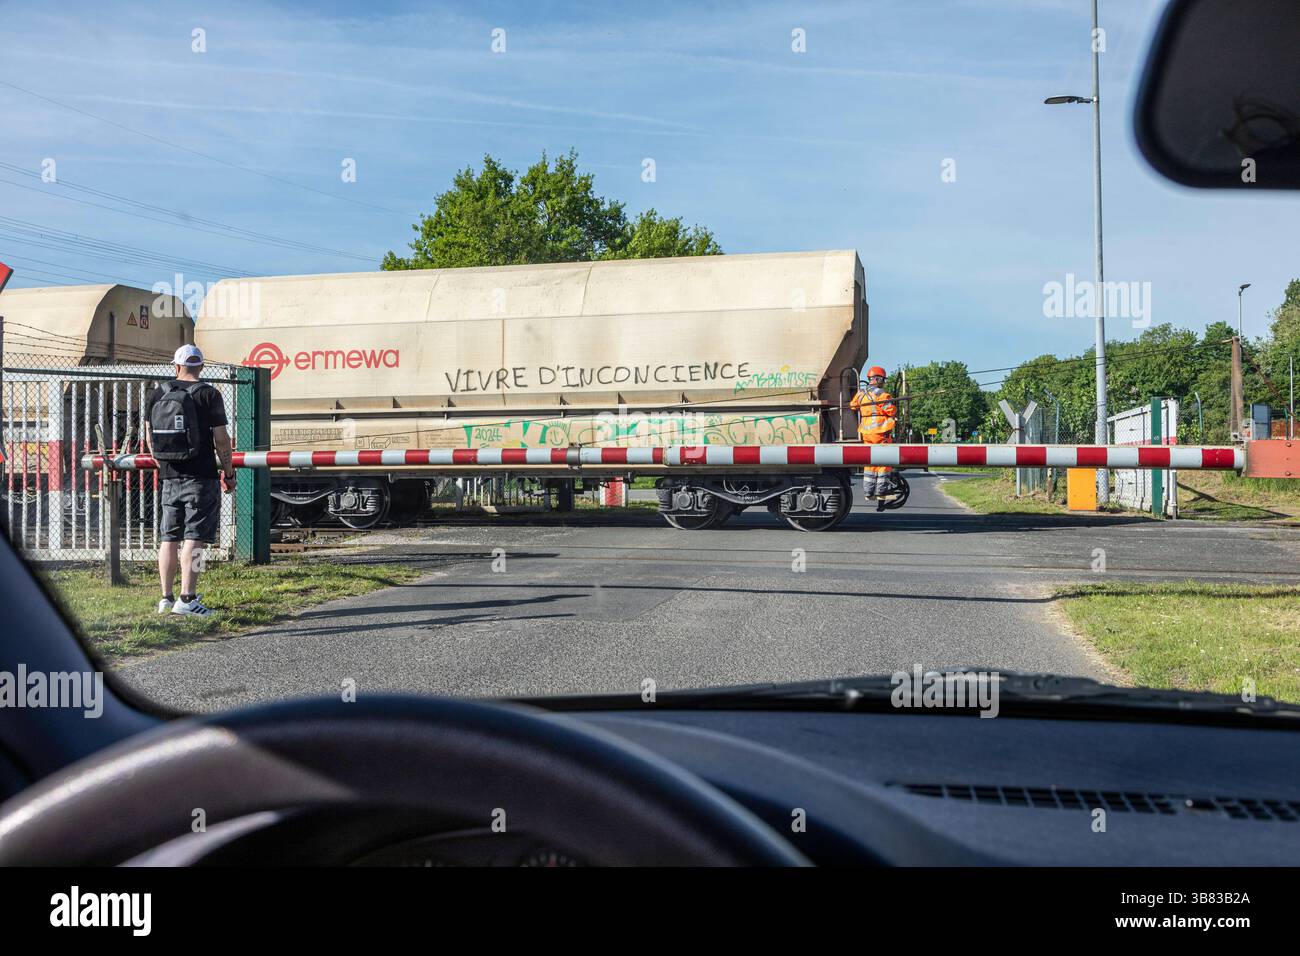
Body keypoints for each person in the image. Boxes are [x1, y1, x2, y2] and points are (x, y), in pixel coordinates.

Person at [144, 345, 236, 616]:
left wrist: (165, 463)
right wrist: (228, 472)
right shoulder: (209, 394)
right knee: (195, 537)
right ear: (201, 367)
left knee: (169, 537)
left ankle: (166, 599)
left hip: (169, 475)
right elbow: (222, 440)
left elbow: (149, 438)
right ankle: (188, 598)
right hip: (201, 476)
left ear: (176, 366)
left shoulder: (158, 393)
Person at [849, 365, 898, 501]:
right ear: (876, 379)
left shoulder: (861, 394)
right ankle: (881, 492)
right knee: (883, 461)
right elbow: (891, 411)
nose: (883, 382)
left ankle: (868, 492)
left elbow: (853, 405)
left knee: (870, 463)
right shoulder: (881, 395)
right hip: (880, 432)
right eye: (882, 379)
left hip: (866, 432)